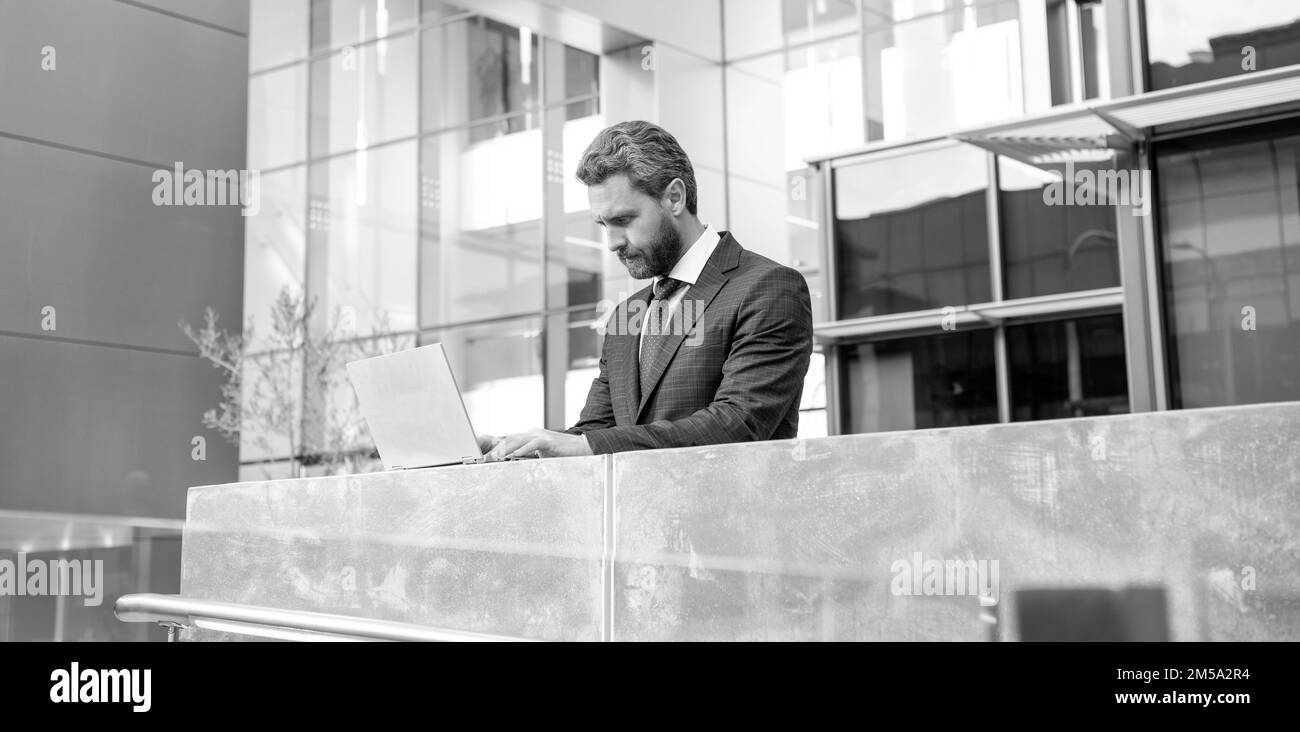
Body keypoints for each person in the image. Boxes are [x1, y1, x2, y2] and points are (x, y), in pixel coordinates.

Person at [479, 120, 813, 459]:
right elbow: (596, 432)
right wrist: (519, 449)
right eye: (603, 224)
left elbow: (738, 423)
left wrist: (584, 445)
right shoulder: (627, 315)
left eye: (623, 220)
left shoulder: (768, 288)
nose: (612, 243)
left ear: (674, 197)